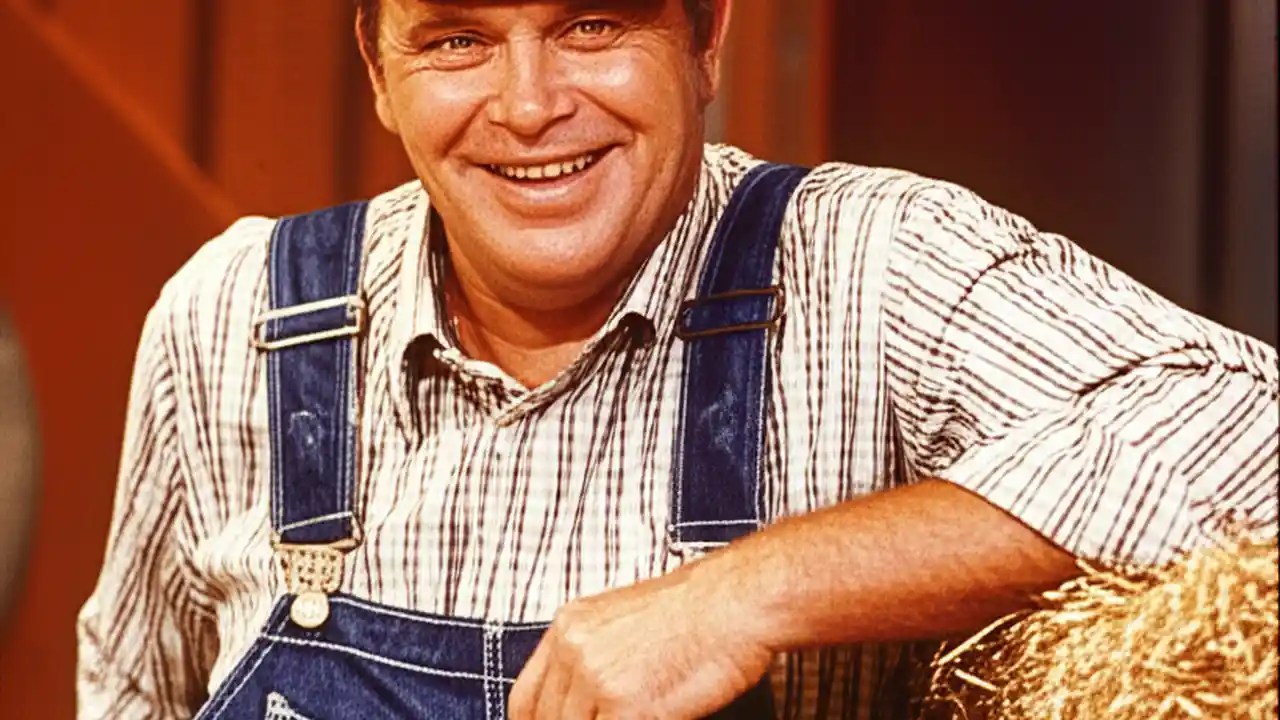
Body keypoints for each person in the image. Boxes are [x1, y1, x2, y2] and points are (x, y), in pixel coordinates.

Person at [76, 0, 1278, 718]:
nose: (530, 103)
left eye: (591, 23)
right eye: (455, 39)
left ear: (704, 38)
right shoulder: (238, 311)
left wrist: (742, 596)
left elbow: (1241, 422)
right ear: (378, 68)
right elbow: (131, 691)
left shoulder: (864, 264)